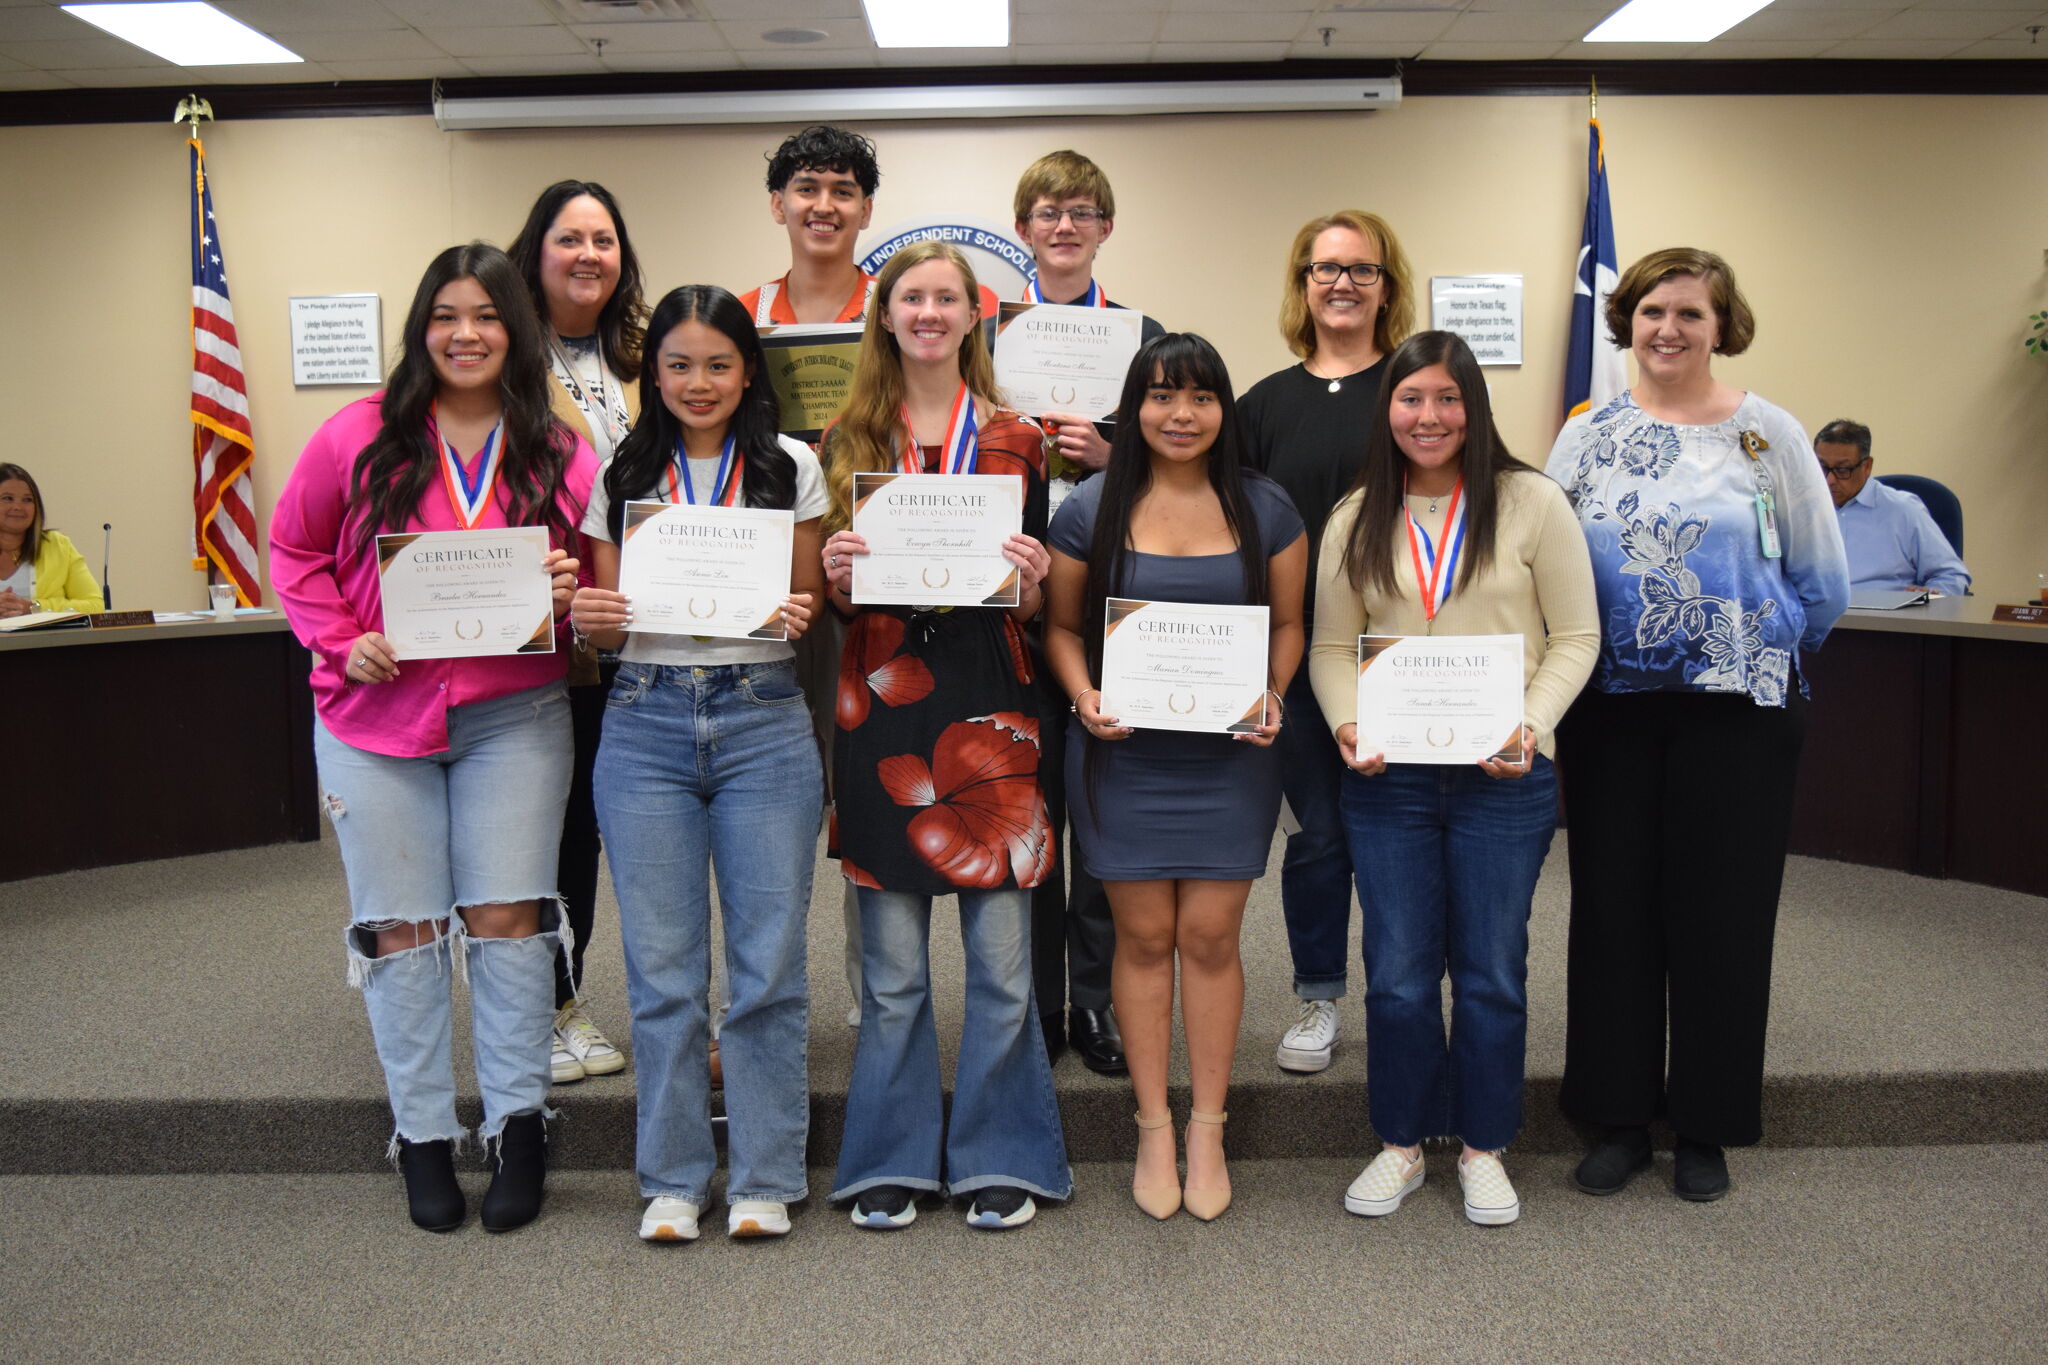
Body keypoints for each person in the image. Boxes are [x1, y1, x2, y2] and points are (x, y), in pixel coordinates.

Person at [269, 242, 595, 1233]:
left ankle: (518, 1128)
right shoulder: (354, 436)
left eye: (488, 317)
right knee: (402, 933)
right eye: (447, 316)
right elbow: (294, 549)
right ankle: (419, 1135)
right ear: (423, 327)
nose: (466, 334)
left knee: (506, 922)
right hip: (373, 720)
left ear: (517, 331)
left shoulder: (555, 445)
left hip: (515, 716)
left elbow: (596, 572)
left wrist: (572, 594)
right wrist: (338, 638)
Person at [1546, 247, 1849, 1203]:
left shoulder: (1771, 436)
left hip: (1741, 713)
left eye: (1689, 314)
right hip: (1613, 711)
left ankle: (1708, 1124)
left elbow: (1823, 583)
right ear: (1626, 323)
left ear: (1723, 326)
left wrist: (1749, 648)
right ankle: (1619, 1117)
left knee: (1722, 916)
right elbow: (1548, 563)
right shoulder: (1586, 435)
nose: (1668, 330)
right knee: (1613, 910)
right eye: (1650, 313)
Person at [1309, 332, 1598, 1227]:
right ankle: (1400, 1143)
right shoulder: (1358, 513)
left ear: (1472, 407)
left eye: (1445, 399)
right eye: (1409, 400)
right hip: (1389, 779)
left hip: (1500, 778)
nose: (1427, 418)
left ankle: (1482, 1145)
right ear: (1385, 409)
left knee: (1490, 971)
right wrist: (1349, 721)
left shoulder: (1531, 502)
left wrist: (1531, 724)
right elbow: (1329, 647)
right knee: (1395, 973)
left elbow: (1575, 638)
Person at [819, 241, 1071, 1231]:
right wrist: (835, 585)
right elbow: (827, 602)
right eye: (909, 297)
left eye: (946, 299)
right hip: (879, 708)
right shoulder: (843, 435)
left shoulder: (1017, 439)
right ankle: (889, 1156)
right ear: (884, 315)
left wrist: (1030, 577)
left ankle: (1000, 1153)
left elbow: (1036, 592)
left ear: (974, 315)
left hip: (989, 706)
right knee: (889, 970)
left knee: (1003, 966)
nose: (927, 312)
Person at [569, 285, 827, 1243]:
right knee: (664, 971)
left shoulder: (790, 466)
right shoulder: (619, 470)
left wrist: (804, 608)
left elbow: (807, 596)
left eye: (718, 363)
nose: (698, 381)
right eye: (678, 364)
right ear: (654, 373)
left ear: (747, 370)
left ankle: (762, 1173)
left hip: (762, 716)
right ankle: (675, 1176)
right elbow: (600, 614)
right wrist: (588, 619)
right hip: (644, 722)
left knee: (766, 965)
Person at [1043, 333, 1305, 1222]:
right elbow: (1063, 629)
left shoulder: (1267, 507)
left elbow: (1290, 625)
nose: (1180, 415)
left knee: (1211, 936)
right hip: (1124, 753)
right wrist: (1081, 698)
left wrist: (1273, 692)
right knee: (1144, 937)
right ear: (1134, 406)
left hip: (1229, 759)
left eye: (1199, 397)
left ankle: (1208, 1125)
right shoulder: (1090, 506)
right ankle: (1154, 1124)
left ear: (1223, 409)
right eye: (1160, 397)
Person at [1238, 210, 1417, 1074]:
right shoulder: (1265, 404)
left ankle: (1402, 995)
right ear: (1301, 284)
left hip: (1403, 655)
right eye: (1323, 268)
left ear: (1389, 285)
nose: (1341, 283)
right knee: (1317, 838)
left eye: (1361, 270)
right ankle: (1318, 996)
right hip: (1299, 656)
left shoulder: (1414, 390)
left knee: (1400, 830)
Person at [1009, 148, 1166, 1077]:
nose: (1063, 226)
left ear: (1105, 228)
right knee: (1028, 809)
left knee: (1102, 810)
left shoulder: (1145, 339)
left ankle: (1097, 1001)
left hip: (1116, 603)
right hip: (1014, 599)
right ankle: (1033, 1000)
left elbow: (1185, 454)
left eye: (1080, 212)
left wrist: (1114, 461)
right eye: (1045, 212)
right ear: (1023, 228)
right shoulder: (986, 334)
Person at [508, 179, 648, 1087]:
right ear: (538, 251)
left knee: (595, 827)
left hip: (631, 637)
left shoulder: (644, 360)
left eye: (605, 239)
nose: (589, 255)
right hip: (538, 635)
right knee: (543, 826)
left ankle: (568, 994)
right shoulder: (503, 362)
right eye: (570, 239)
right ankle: (545, 1006)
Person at [740, 124, 1002, 327]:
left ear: (865, 211)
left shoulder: (900, 312)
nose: (823, 207)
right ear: (778, 205)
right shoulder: (743, 316)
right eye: (807, 189)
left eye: (842, 192)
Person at [1814, 419, 1969, 596]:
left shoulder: (1903, 510)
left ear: (1867, 466)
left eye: (1842, 470)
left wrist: (1929, 595)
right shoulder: (1800, 509)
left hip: (1881, 620)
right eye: (1822, 467)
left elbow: (1952, 576)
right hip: (1813, 618)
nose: (1829, 480)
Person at [0, 463, 101, 617]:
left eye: (27, 500)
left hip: (45, 641)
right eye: (8, 498)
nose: (18, 506)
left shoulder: (57, 546)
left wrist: (35, 607)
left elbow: (95, 605)